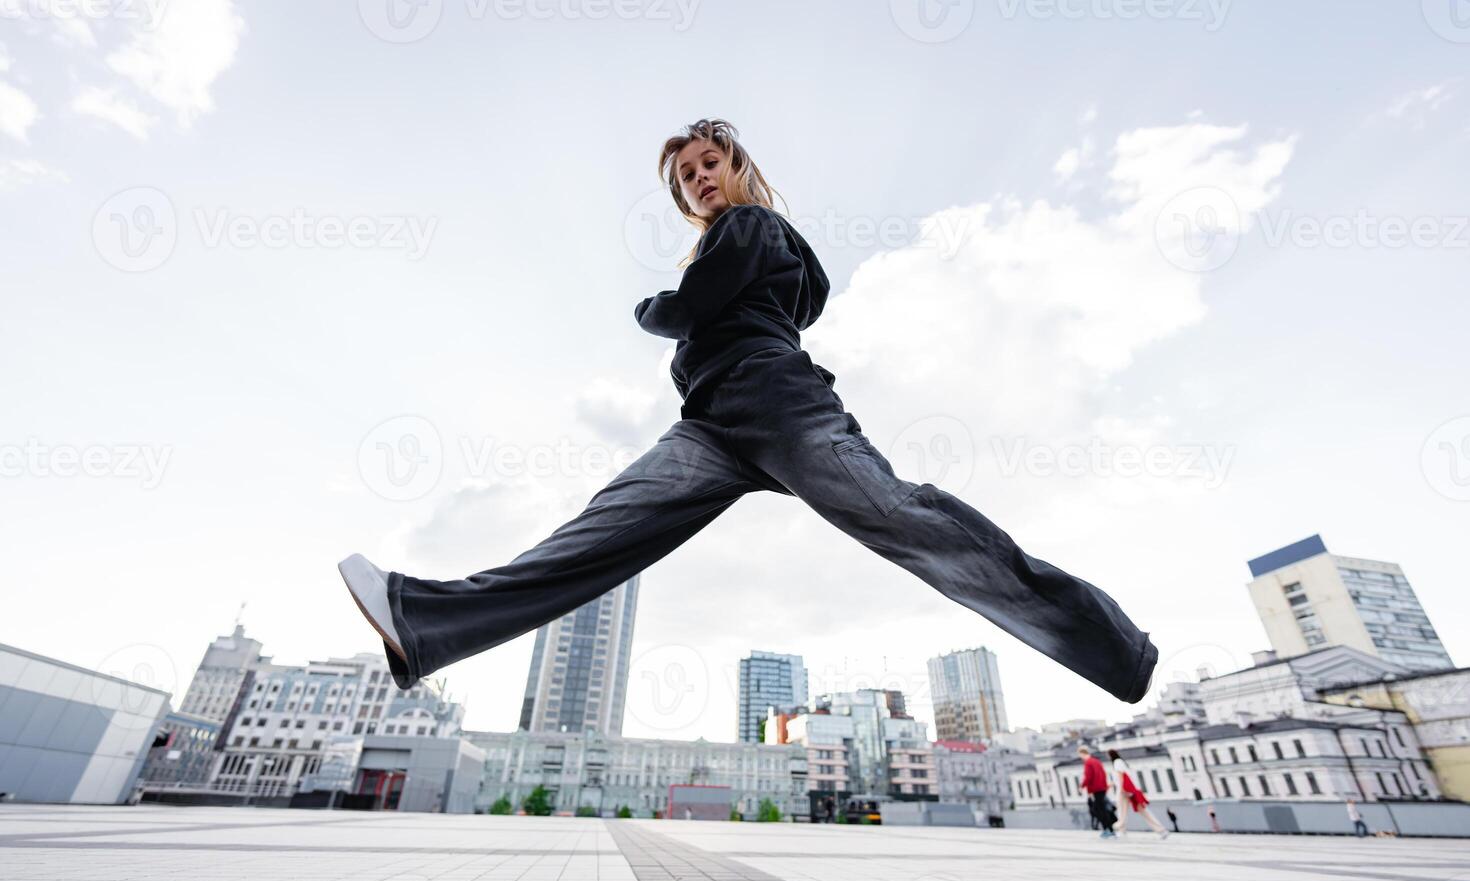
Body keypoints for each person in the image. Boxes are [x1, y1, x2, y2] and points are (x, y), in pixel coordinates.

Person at [336, 117, 1159, 707]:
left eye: (707, 163)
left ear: (736, 167)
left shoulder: (751, 224)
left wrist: (647, 307)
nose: (698, 178)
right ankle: (423, 623)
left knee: (906, 520)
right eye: (685, 176)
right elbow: (755, 302)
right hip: (709, 426)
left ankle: (1114, 648)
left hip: (778, 403)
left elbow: (686, 305)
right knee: (597, 536)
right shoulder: (742, 241)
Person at [1107, 748, 1169, 838]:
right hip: (1131, 790)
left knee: (1122, 812)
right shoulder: (1122, 762)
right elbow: (1121, 778)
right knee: (1142, 810)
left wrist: (1122, 789)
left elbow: (1121, 776)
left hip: (1123, 791)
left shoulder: (1117, 762)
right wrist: (1111, 785)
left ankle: (1118, 830)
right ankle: (1161, 830)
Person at [1078, 746, 1116, 839]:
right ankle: (1110, 829)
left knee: (1098, 810)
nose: (1080, 757)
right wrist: (1105, 787)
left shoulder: (1088, 763)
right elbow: (1103, 774)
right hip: (1102, 788)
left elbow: (1088, 777)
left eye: (1080, 755)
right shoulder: (1097, 761)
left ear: (1082, 753)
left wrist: (1081, 786)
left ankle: (1108, 830)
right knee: (1101, 809)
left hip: (1096, 789)